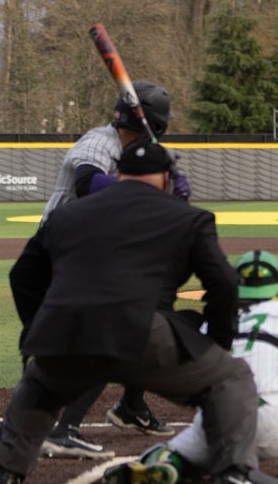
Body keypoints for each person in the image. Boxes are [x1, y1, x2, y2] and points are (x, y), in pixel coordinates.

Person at [0, 139, 278, 484]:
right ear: (165, 178)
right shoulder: (188, 216)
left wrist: (37, 331)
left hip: (66, 332)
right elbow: (223, 285)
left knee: (39, 387)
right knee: (230, 376)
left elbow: (23, 275)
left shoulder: (68, 214)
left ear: (119, 174)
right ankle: (234, 477)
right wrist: (217, 343)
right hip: (142, 331)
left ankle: (2, 475)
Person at [100, 249, 278, 484]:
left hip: (214, 425)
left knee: (174, 450)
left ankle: (166, 463)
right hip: (277, 425)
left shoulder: (215, 318)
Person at [39, 81, 188, 461]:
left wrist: (169, 187)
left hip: (97, 253)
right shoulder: (100, 141)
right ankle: (64, 430)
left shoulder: (143, 151)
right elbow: (88, 183)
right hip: (64, 251)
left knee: (147, 317)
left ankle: (131, 407)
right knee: (111, 334)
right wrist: (154, 184)